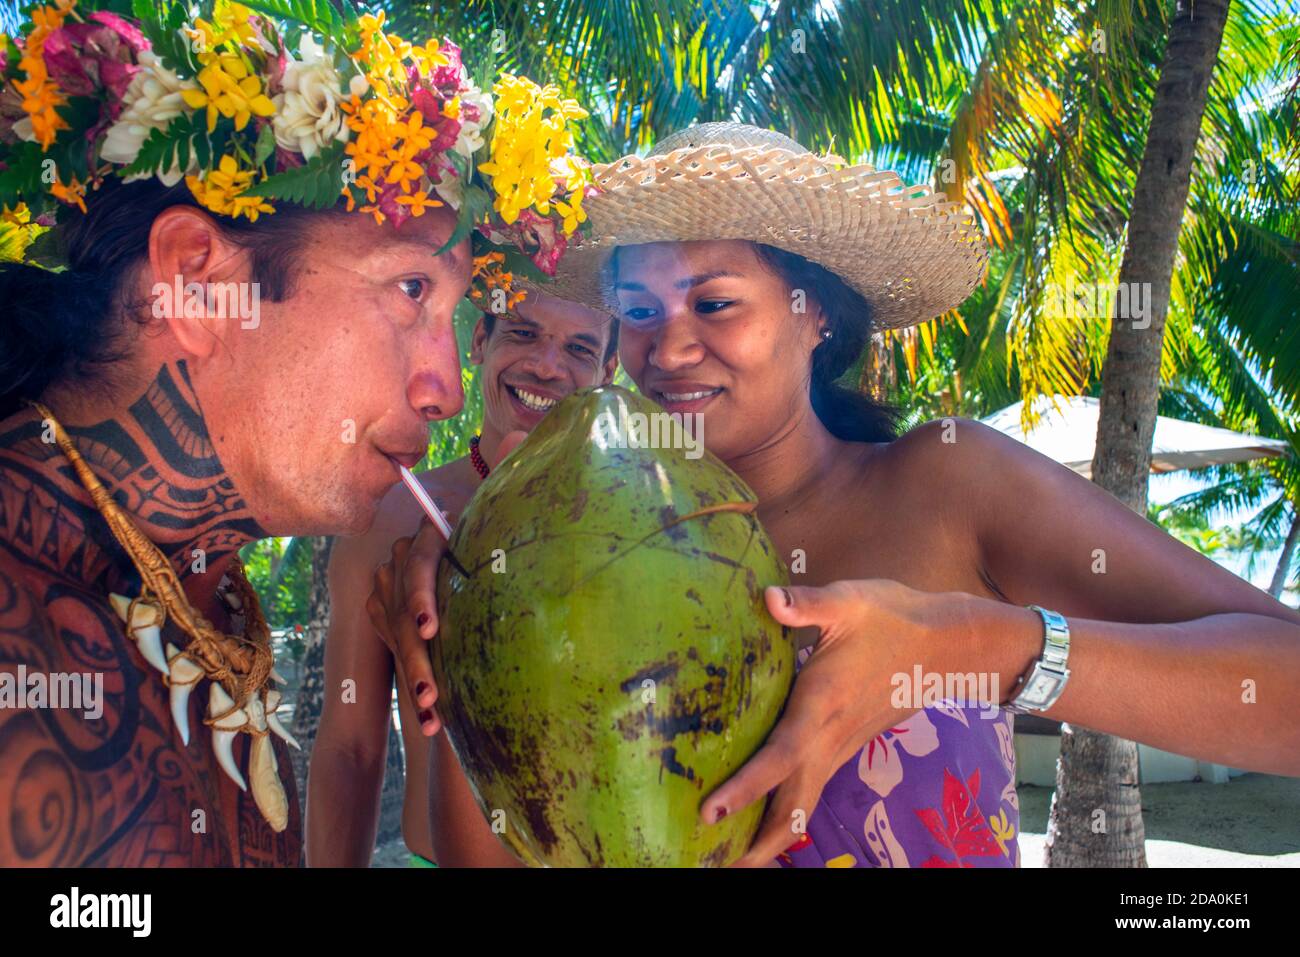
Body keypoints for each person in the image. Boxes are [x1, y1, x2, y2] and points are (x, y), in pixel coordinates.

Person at [368, 122, 1300, 868]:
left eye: (716, 302)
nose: (669, 347)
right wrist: (457, 634)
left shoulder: (945, 482)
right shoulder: (558, 543)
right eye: (640, 311)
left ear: (814, 314)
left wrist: (975, 644)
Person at [0, 1, 592, 866]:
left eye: (452, 313)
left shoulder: (206, 593)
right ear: (197, 283)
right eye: (410, 291)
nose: (446, 388)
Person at [308, 287, 617, 867]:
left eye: (580, 348)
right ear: (479, 340)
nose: (546, 367)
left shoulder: (637, 524)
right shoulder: (392, 517)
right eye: (523, 333)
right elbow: (350, 747)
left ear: (609, 370)